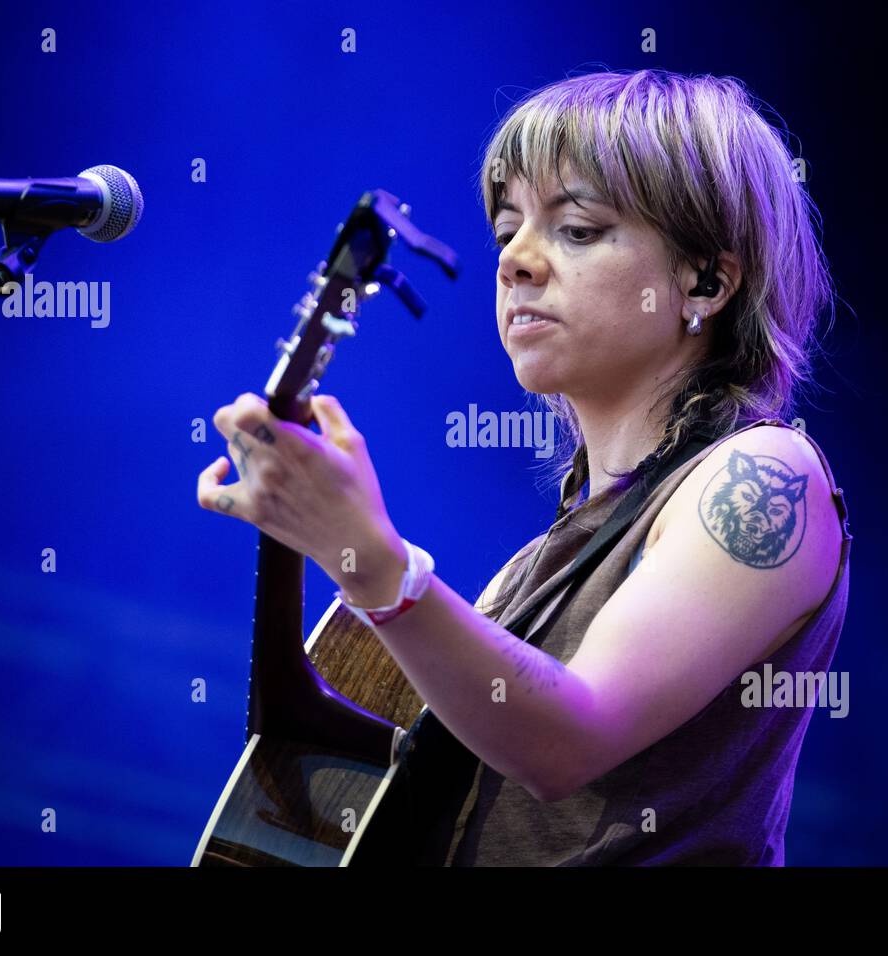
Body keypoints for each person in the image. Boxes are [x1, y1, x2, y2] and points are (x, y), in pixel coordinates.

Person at [197, 68, 852, 865]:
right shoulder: (524, 577)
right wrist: (304, 539)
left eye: (576, 229)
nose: (516, 261)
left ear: (706, 280)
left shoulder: (765, 475)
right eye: (508, 229)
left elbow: (569, 739)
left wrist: (367, 560)